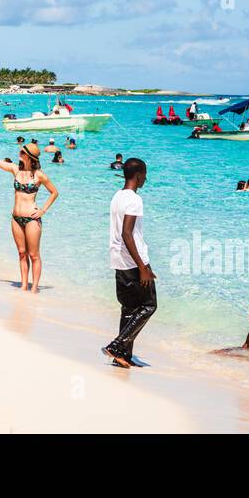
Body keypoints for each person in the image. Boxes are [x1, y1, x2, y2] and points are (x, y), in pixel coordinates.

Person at [0, 134, 58, 293]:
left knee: (34, 255)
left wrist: (43, 210)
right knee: (21, 253)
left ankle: (34, 288)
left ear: (29, 157)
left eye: (22, 153)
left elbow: (54, 192)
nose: (20, 154)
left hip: (32, 220)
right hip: (16, 219)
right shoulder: (15, 169)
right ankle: (24, 285)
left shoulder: (39, 175)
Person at [102, 158, 155, 368]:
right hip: (133, 262)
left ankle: (123, 355)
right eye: (145, 174)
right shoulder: (134, 200)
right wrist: (143, 267)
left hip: (118, 259)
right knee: (149, 305)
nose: (146, 179)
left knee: (129, 308)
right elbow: (127, 234)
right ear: (139, 175)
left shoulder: (117, 196)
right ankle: (117, 345)